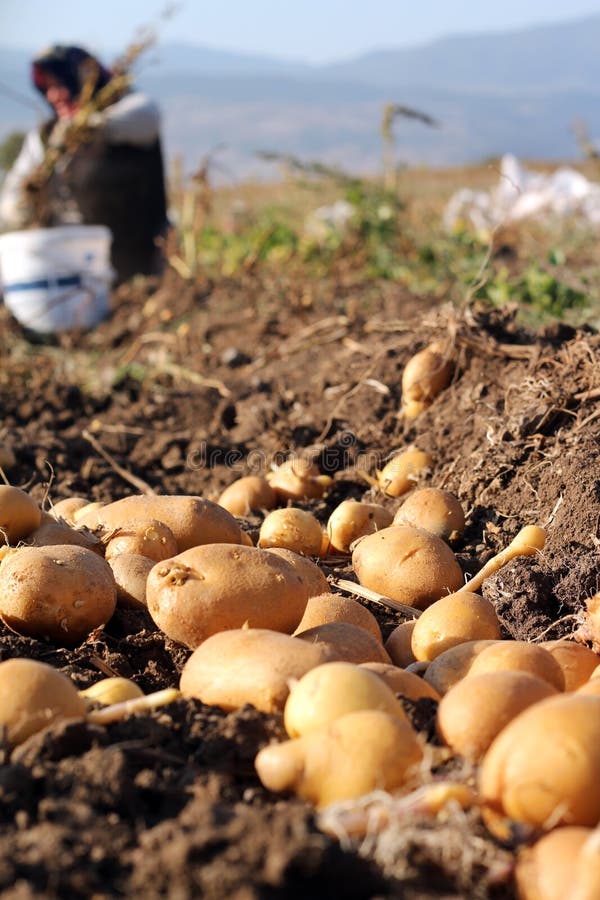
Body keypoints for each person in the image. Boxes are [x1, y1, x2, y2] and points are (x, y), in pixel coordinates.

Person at [0, 45, 169, 283]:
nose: (53, 96)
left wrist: (93, 125)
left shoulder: (128, 110)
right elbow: (13, 192)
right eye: (47, 89)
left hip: (137, 260)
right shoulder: (46, 138)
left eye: (60, 85)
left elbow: (146, 118)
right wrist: (20, 204)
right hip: (70, 263)